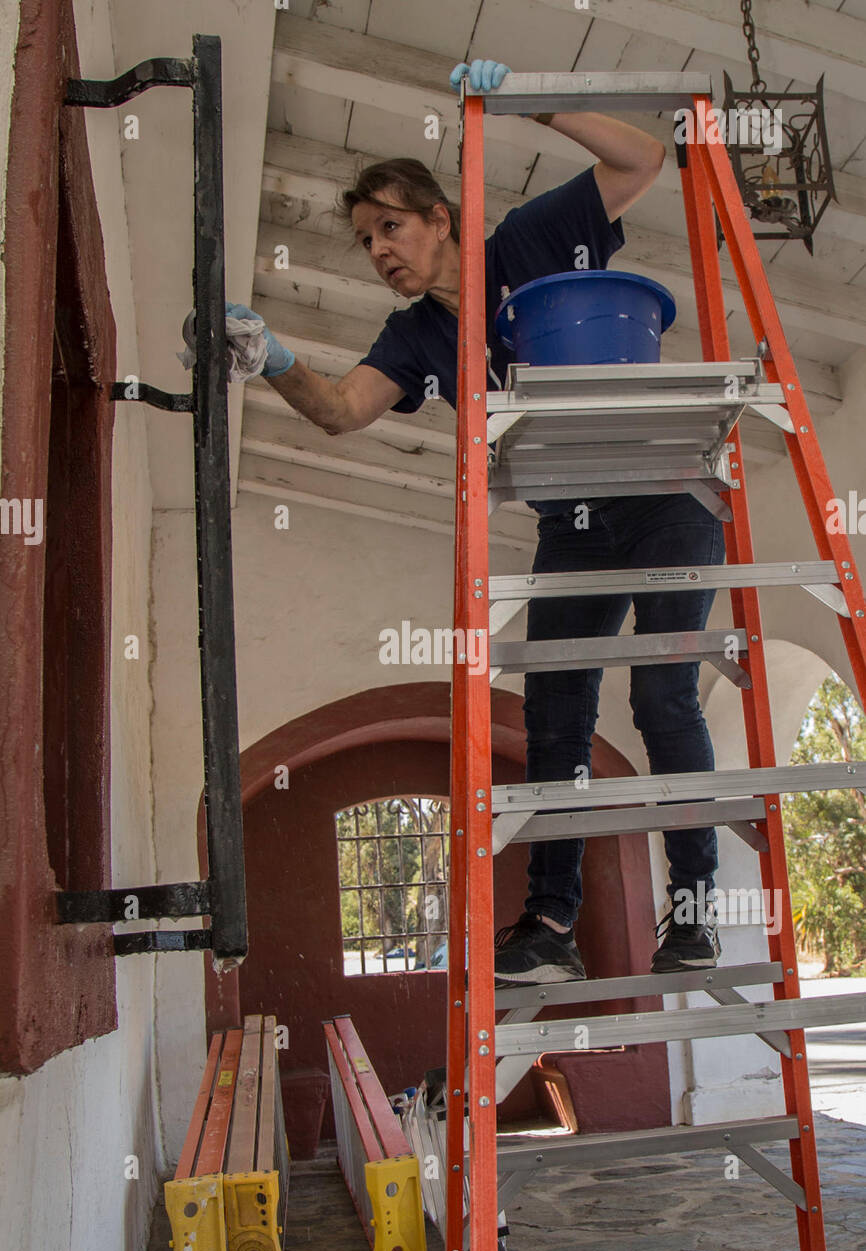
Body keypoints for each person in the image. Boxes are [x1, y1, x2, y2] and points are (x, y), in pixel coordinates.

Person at [228, 58, 722, 985]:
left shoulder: (531, 241)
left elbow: (642, 161)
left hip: (662, 495)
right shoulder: (415, 336)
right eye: (366, 239)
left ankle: (693, 915)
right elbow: (339, 409)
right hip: (572, 524)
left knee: (661, 696)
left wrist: (536, 101)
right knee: (555, 712)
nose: (379, 250)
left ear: (439, 218)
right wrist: (273, 358)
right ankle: (550, 925)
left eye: (391, 227)